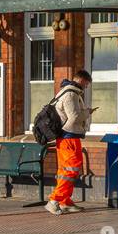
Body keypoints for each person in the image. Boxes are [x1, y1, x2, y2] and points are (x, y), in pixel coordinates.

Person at [47, 69, 94, 215]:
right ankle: (54, 200)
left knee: (67, 171)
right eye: (86, 84)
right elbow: (74, 117)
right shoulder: (70, 94)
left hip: (69, 137)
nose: (86, 87)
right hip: (68, 137)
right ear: (81, 80)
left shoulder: (69, 92)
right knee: (70, 169)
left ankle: (65, 201)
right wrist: (88, 112)